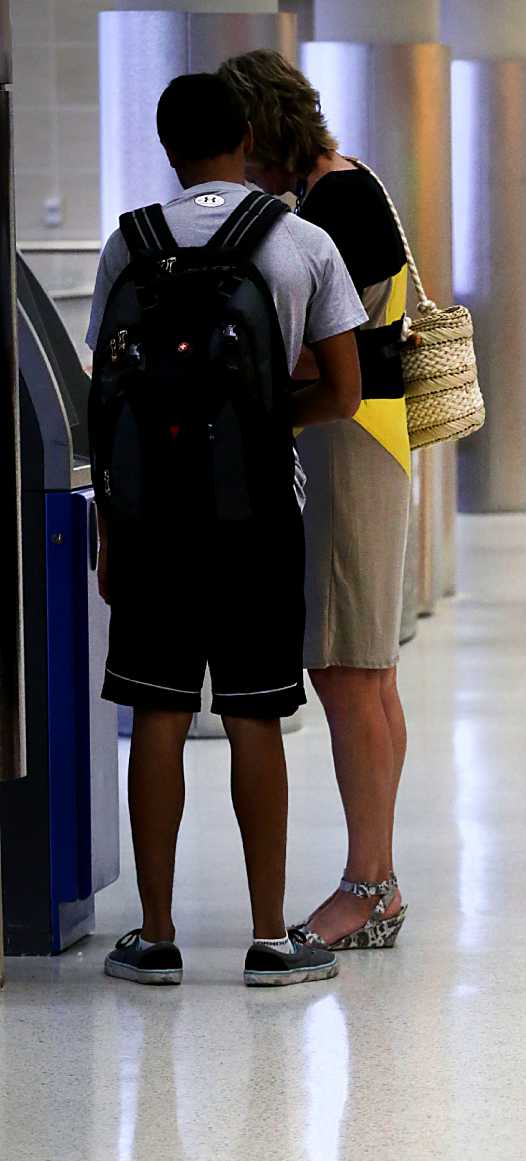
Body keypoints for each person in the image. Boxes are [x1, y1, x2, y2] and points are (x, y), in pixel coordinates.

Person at [87, 73, 363, 988]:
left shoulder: (127, 245)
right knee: (254, 714)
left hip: (151, 514)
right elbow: (347, 390)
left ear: (167, 148)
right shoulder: (302, 242)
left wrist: (111, 532)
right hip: (257, 515)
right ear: (248, 135)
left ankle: (156, 935)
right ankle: (268, 936)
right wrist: (271, 420)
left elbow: (107, 391)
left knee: (158, 711)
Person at [220, 50, 412, 950]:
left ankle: (365, 887)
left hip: (349, 444)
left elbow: (316, 354)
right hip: (372, 442)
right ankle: (381, 876)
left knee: (346, 670)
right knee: (369, 673)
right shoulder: (354, 181)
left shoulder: (329, 209)